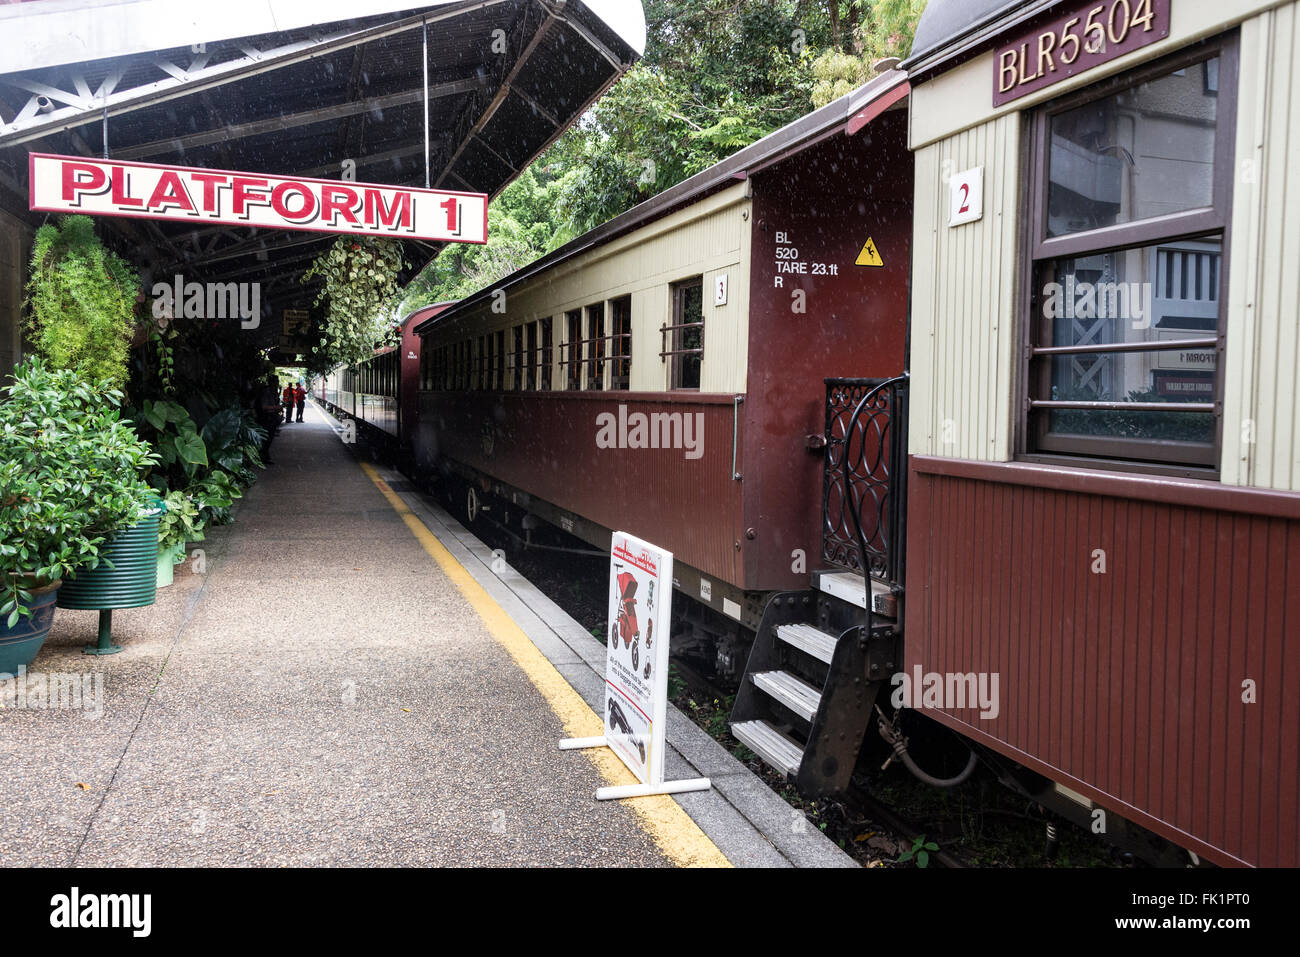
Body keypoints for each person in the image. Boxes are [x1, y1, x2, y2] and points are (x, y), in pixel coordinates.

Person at [255, 377, 282, 464]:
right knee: (266, 438)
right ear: (272, 383)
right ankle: (263, 456)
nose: (278, 384)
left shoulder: (273, 392)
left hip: (271, 418)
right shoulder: (267, 392)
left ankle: (265, 456)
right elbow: (264, 407)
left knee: (269, 438)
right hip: (266, 419)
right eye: (277, 382)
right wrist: (276, 407)